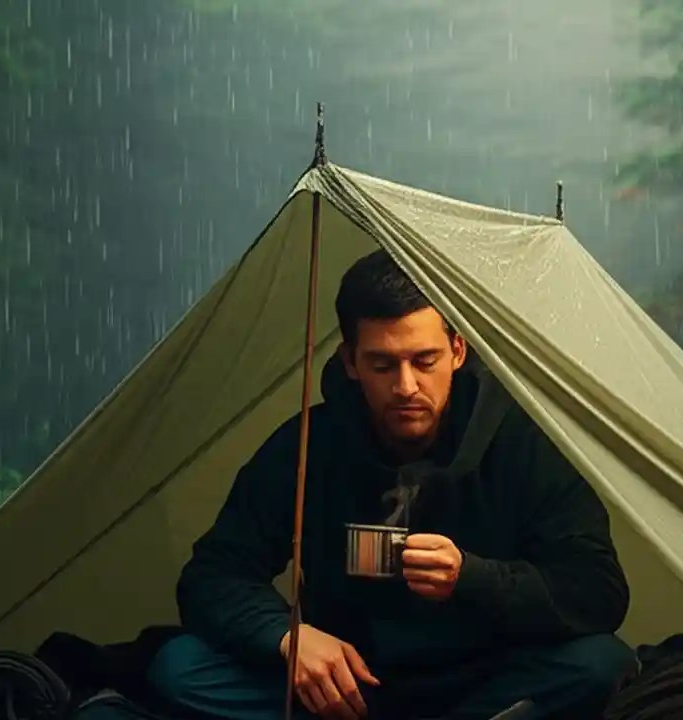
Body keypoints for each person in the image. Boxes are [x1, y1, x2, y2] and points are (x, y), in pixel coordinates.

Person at [146, 249, 633, 720]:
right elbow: (212, 576)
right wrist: (287, 635)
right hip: (345, 690)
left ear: (458, 350)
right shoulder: (310, 444)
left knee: (600, 664)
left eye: (424, 361)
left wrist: (475, 577)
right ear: (351, 362)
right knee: (180, 668)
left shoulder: (522, 443)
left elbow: (598, 591)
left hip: (482, 681)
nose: (405, 387)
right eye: (382, 365)